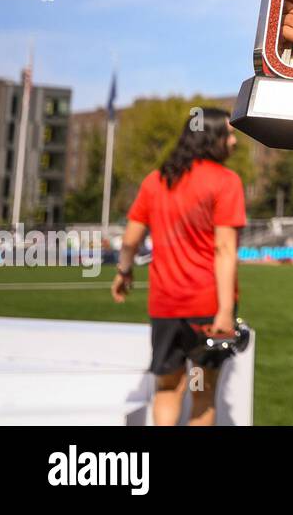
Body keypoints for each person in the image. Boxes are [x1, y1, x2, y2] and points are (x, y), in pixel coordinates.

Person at [112, 108, 246, 426]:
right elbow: (224, 249)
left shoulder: (156, 180)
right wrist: (225, 310)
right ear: (210, 137)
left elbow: (130, 240)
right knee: (202, 394)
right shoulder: (226, 181)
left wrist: (124, 271)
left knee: (167, 389)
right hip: (207, 307)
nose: (234, 142)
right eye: (228, 134)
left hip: (165, 306)